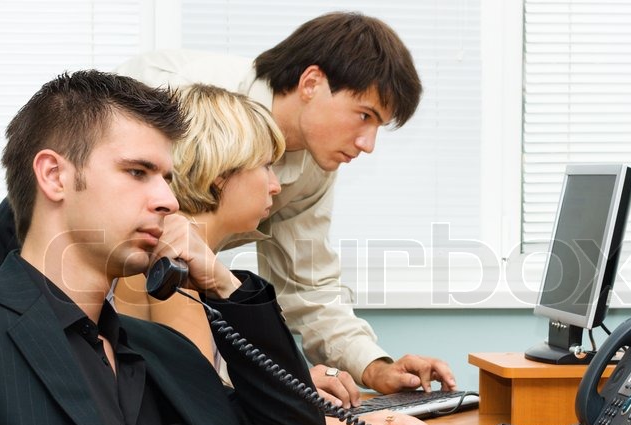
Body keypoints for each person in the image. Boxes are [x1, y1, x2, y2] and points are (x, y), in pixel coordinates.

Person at [0, 70, 329, 425]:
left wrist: (224, 285)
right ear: (54, 176)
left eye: (167, 178)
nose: (169, 200)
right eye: (137, 172)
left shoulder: (168, 356)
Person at [113, 11, 458, 398]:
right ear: (311, 83)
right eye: (364, 116)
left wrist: (374, 367)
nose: (368, 144)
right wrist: (282, 389)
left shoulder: (317, 158)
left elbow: (306, 285)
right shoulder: (185, 107)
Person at [113, 83, 441, 425]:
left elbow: (201, 382)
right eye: (266, 166)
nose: (275, 185)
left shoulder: (188, 248)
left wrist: (292, 386)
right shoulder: (177, 262)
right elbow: (202, 412)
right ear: (221, 173)